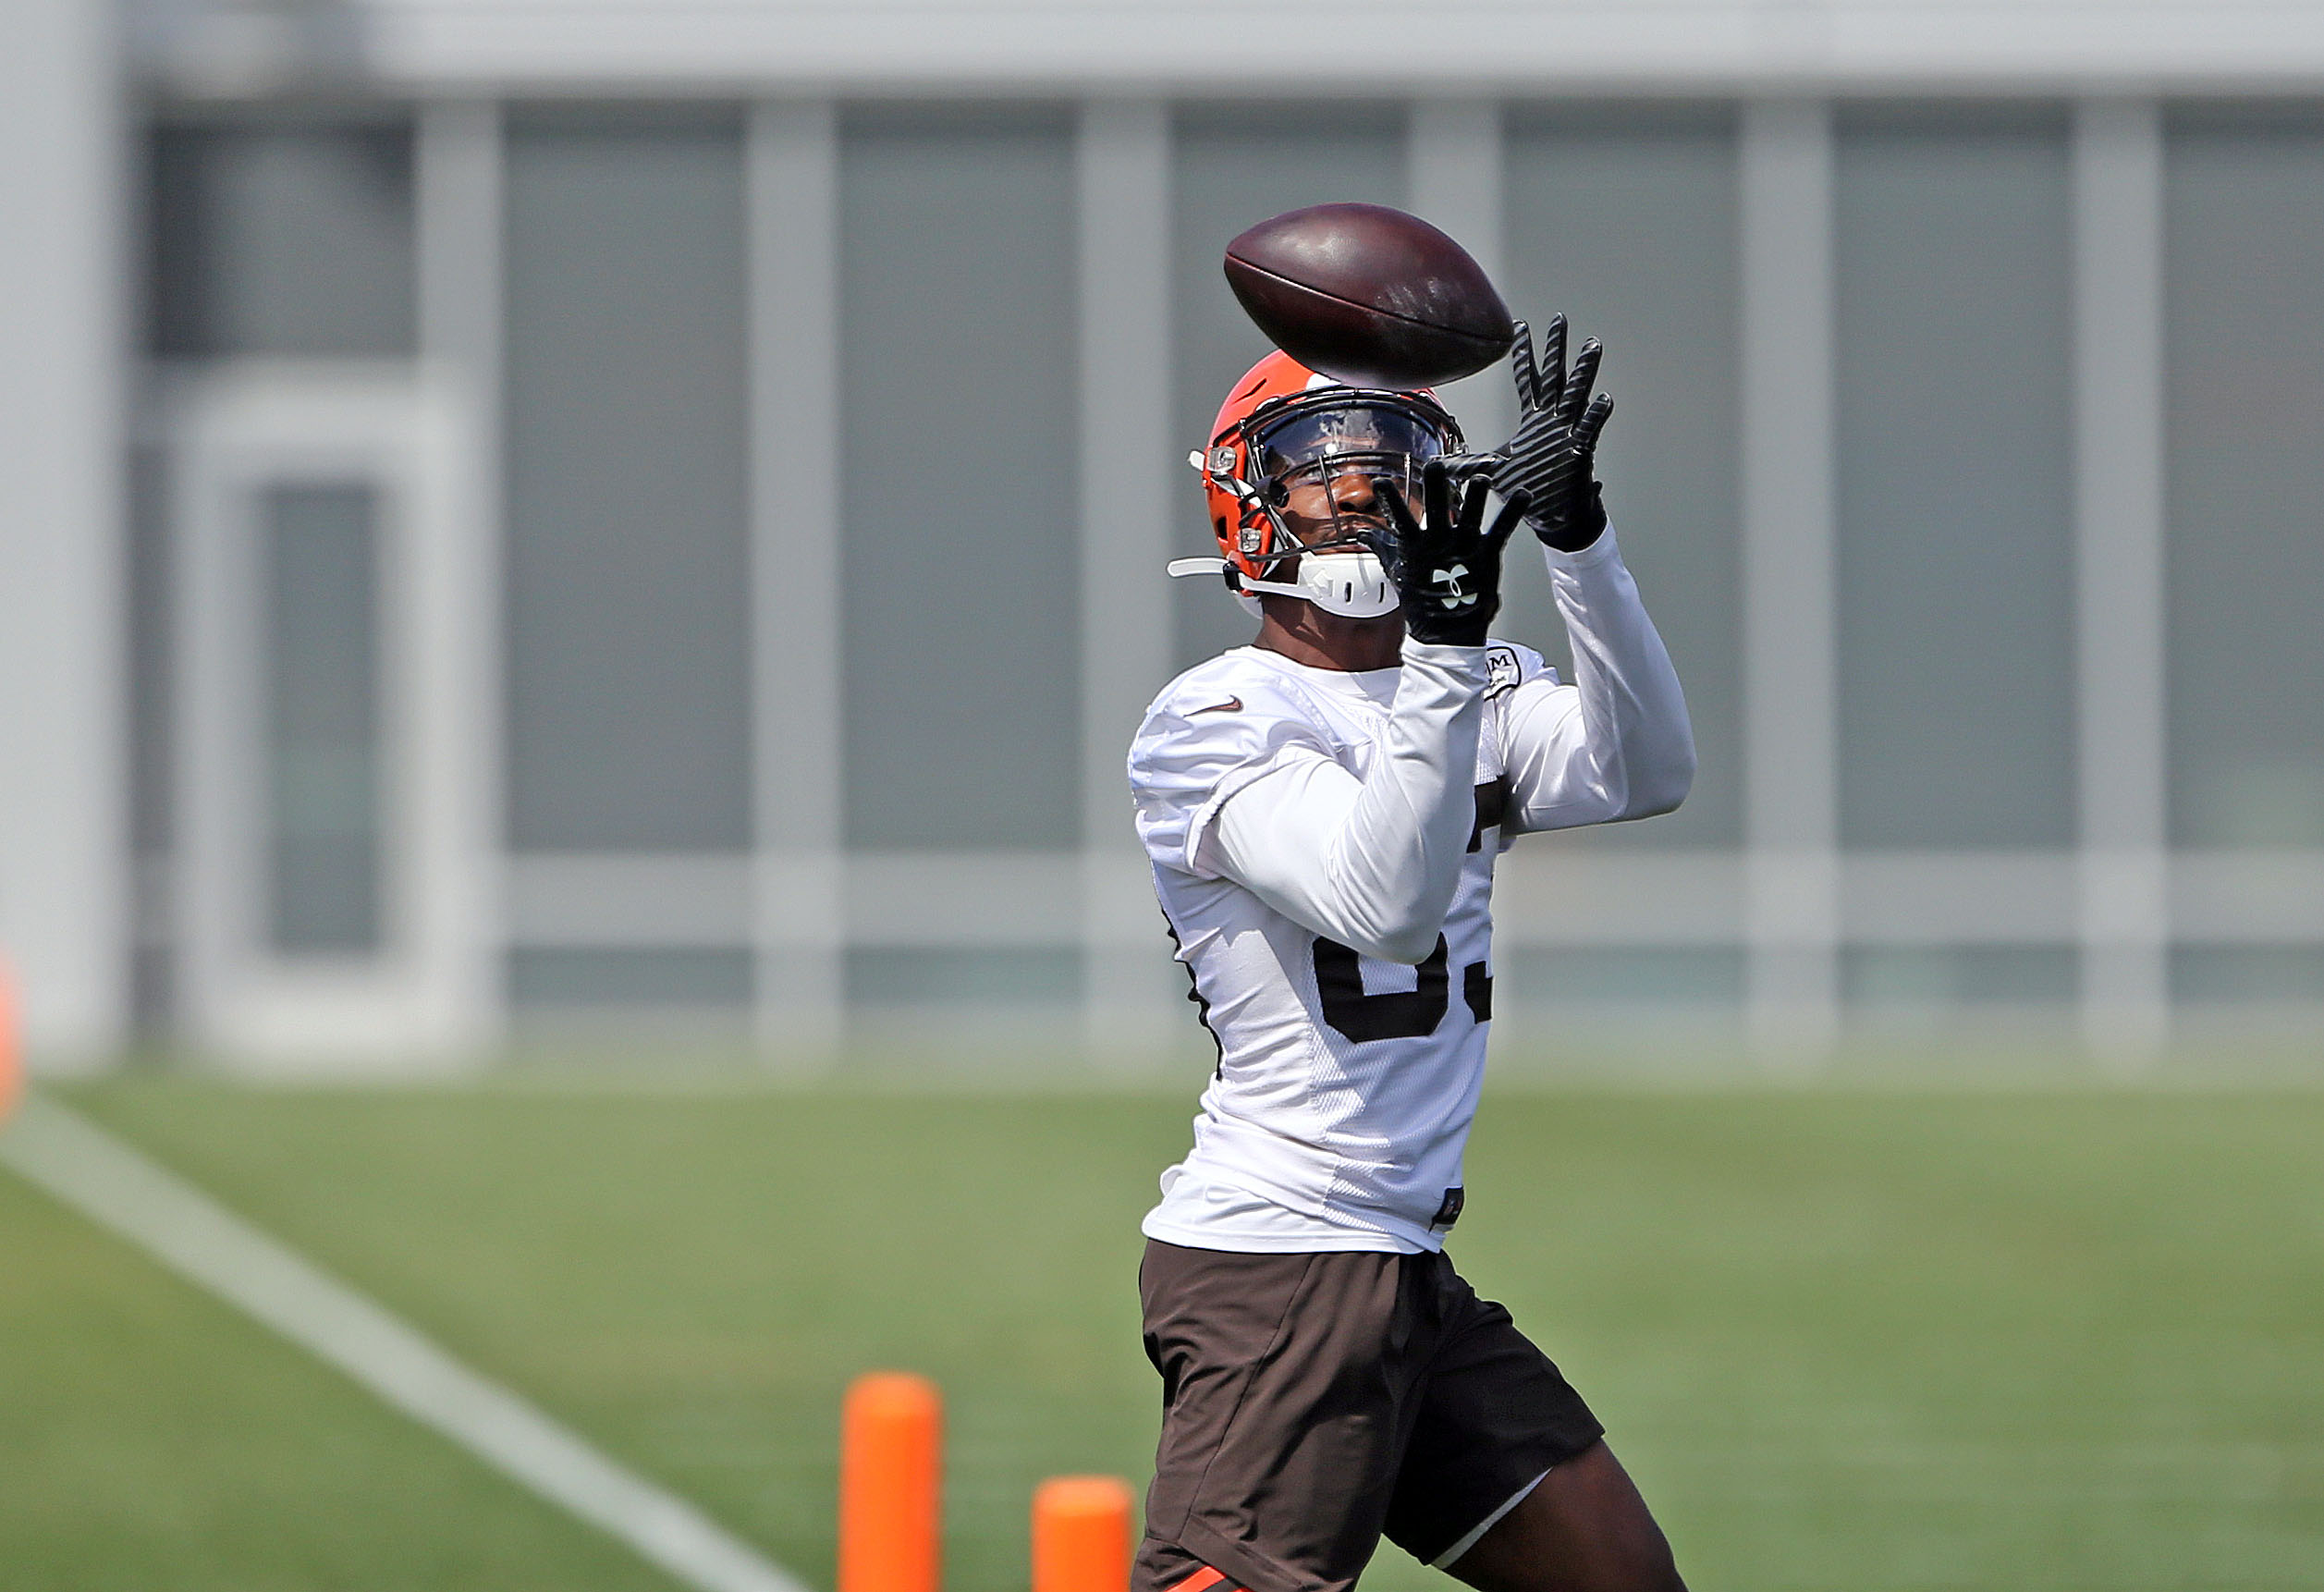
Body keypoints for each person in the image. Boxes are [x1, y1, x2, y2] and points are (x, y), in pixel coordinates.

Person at [1126, 318, 1696, 1592]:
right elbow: (1379, 901)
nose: (1360, 494)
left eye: (1389, 463)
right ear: (1246, 504)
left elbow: (1646, 769)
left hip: (1400, 1262)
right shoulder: (1212, 716)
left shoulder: (1471, 681)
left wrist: (1580, 542)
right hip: (1281, 1259)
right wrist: (1441, 649)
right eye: (1321, 471)